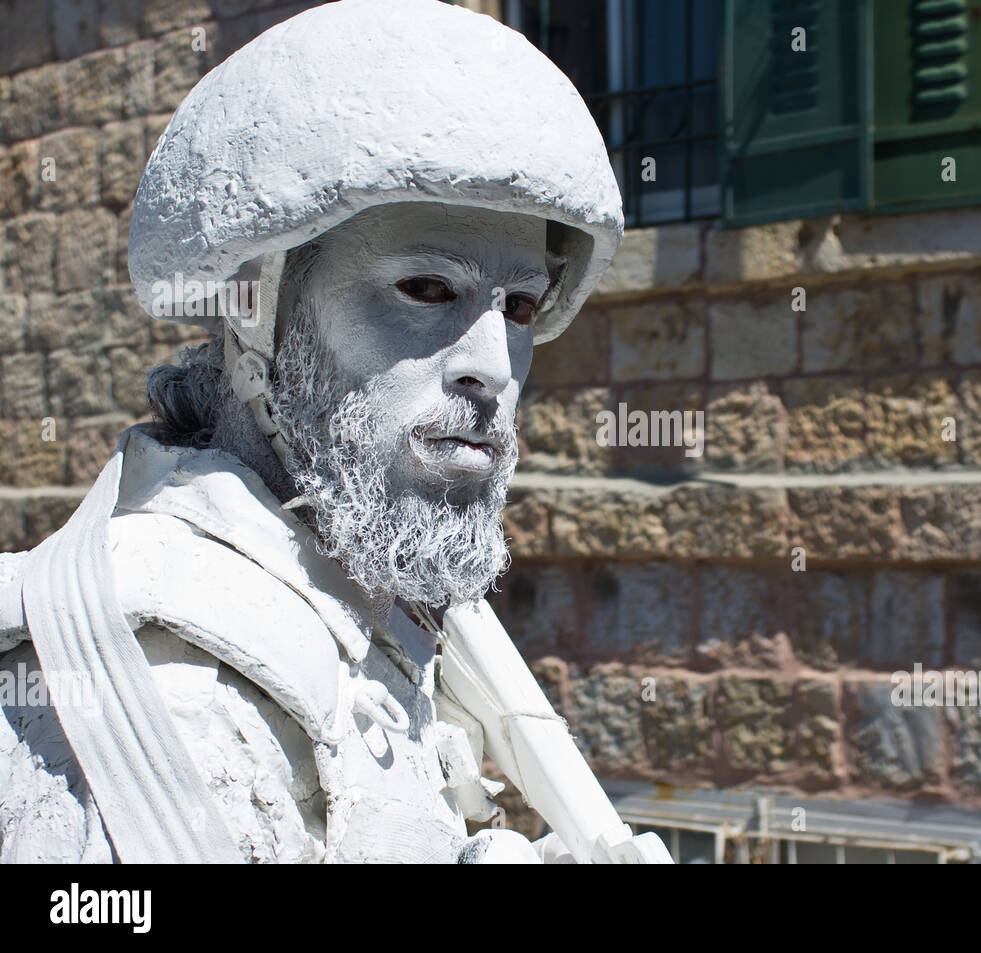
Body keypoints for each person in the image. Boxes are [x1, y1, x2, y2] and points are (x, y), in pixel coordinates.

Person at [0, 0, 670, 865]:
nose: (493, 367)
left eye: (520, 306)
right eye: (426, 290)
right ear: (258, 313)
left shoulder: (368, 611)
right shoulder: (175, 692)